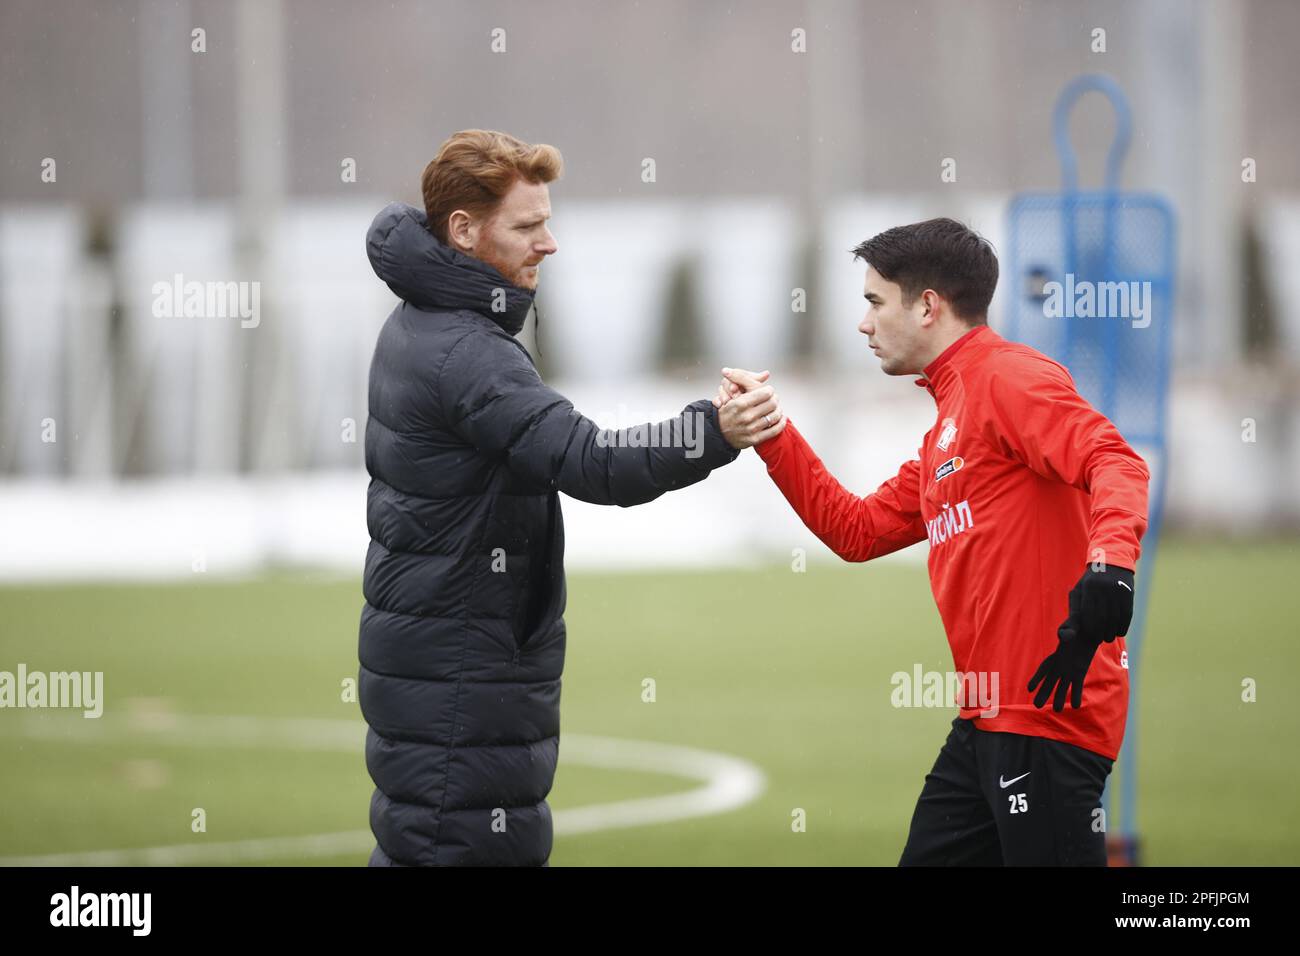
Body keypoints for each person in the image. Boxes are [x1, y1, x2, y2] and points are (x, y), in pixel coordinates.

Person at [359, 129, 779, 866]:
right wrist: (714, 430)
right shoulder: (467, 353)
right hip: (461, 679)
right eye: (527, 226)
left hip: (442, 667)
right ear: (463, 230)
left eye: (546, 221)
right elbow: (592, 463)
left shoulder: (420, 320)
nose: (548, 243)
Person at [715, 218, 1150, 865]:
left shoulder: (1008, 379)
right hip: (985, 720)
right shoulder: (951, 421)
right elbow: (856, 531)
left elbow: (1115, 461)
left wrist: (1110, 563)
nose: (863, 323)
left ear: (927, 306)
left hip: (1045, 716)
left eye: (873, 302)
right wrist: (772, 434)